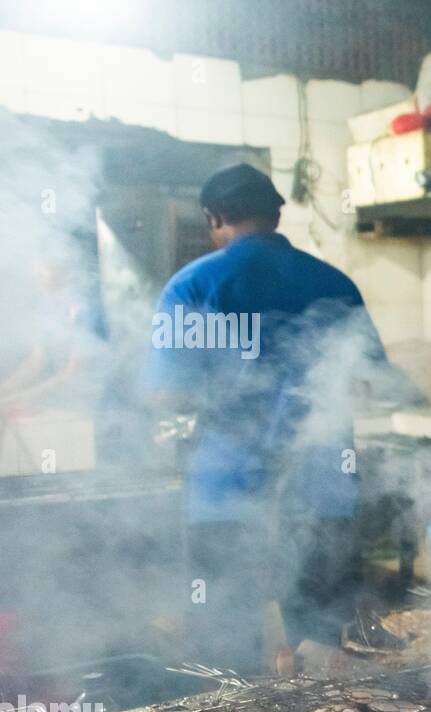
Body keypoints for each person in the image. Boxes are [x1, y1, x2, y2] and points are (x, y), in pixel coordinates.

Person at [139, 163, 390, 673]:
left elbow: (167, 392)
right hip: (323, 494)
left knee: (225, 653)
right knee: (326, 651)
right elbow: (366, 383)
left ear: (215, 218)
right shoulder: (334, 282)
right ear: (277, 214)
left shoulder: (192, 286)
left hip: (226, 496)